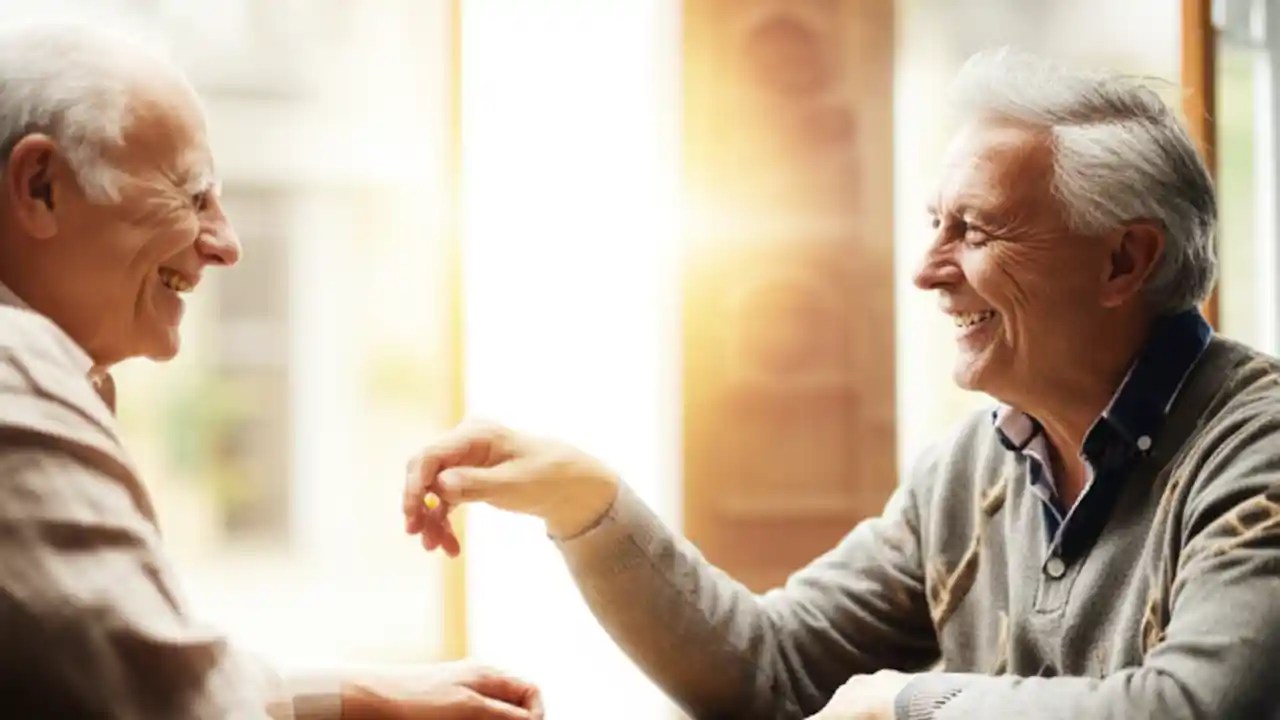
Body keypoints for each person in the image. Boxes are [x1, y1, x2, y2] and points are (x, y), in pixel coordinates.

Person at [404, 48, 1280, 719]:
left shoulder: (1256, 446)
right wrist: (589, 508)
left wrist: (909, 703)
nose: (927, 270)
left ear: (1124, 260)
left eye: (974, 230)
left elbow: (1192, 708)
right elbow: (770, 669)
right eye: (934, 222)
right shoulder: (969, 470)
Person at [0, 22, 543, 720]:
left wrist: (360, 694)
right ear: (40, 187)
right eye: (194, 197)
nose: (227, 246)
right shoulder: (16, 366)